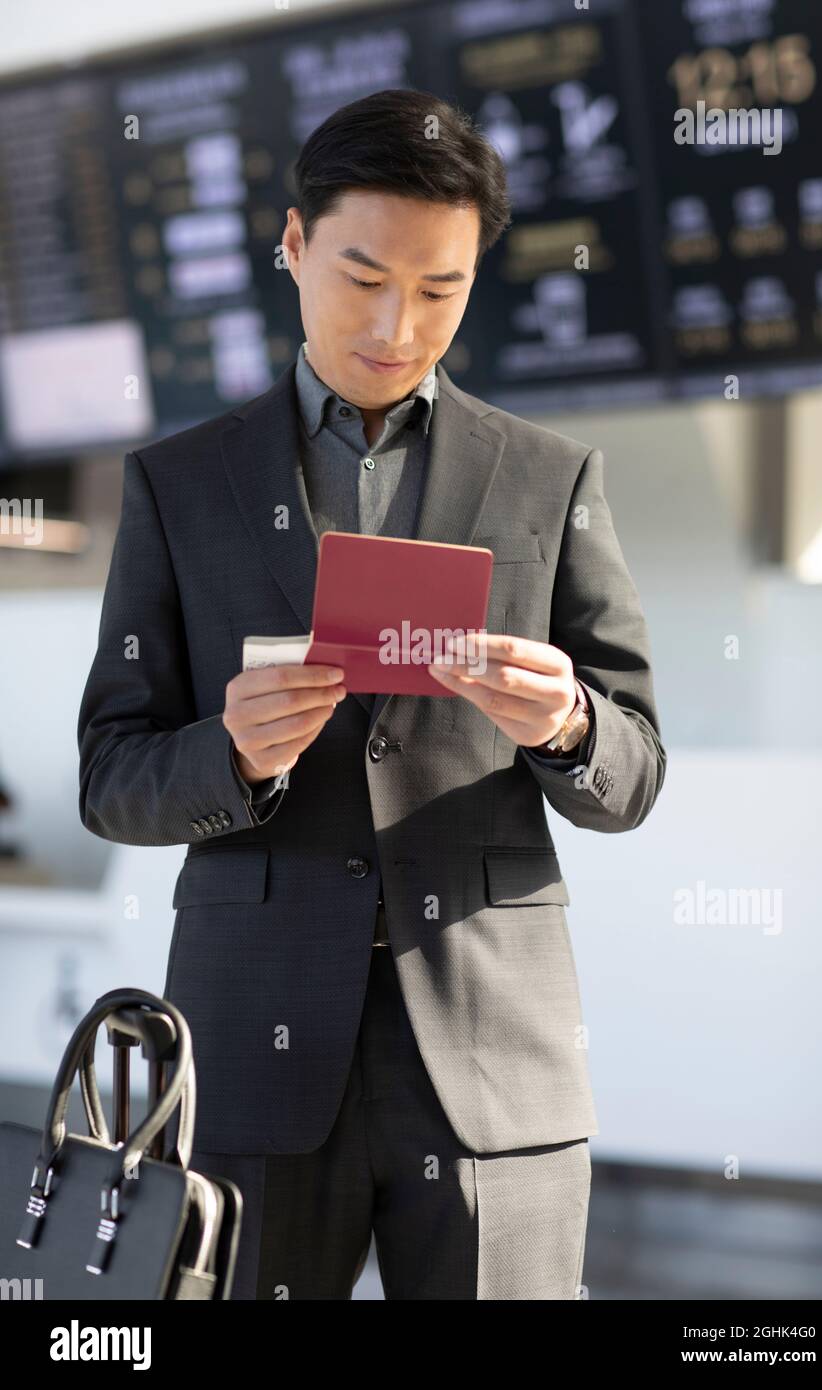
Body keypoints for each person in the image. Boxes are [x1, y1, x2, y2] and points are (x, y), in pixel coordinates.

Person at [78, 88, 666, 1300]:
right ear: (291, 245)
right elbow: (110, 775)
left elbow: (635, 770)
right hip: (252, 1047)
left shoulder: (548, 479)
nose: (398, 324)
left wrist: (565, 726)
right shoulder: (178, 486)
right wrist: (227, 756)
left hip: (491, 1059)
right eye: (362, 277)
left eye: (440, 289)